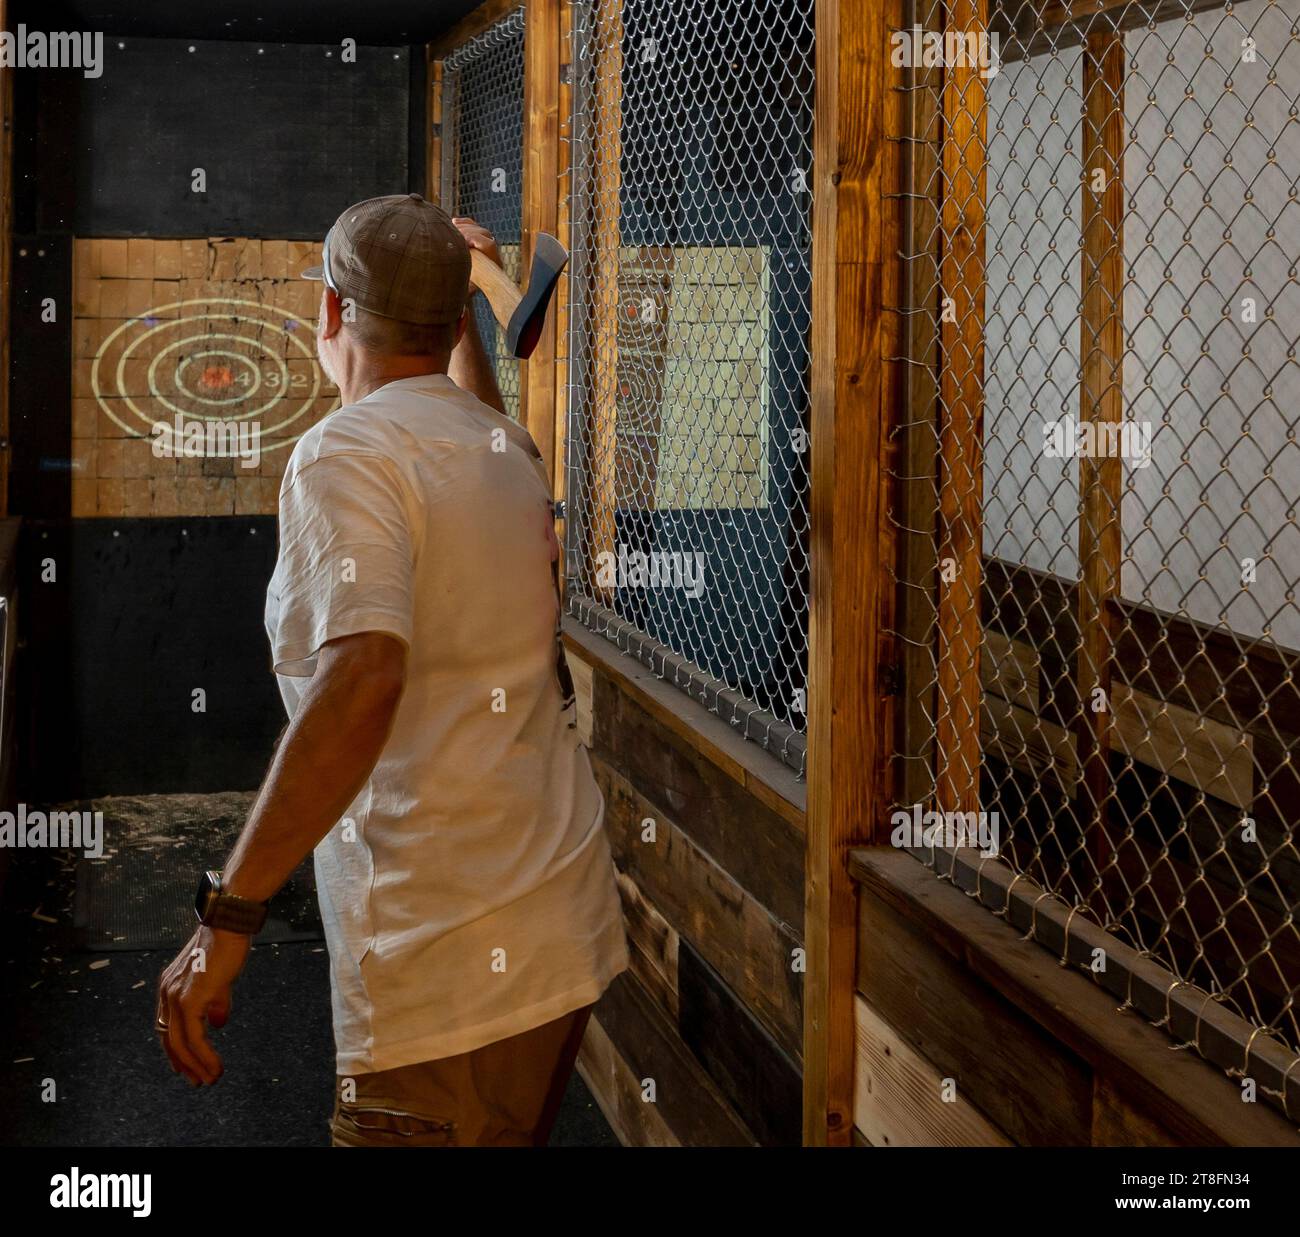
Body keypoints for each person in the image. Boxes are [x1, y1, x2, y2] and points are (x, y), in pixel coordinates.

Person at [154, 194, 629, 1147]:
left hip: (438, 963)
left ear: (331, 311)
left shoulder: (342, 453)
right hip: (559, 925)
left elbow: (363, 679)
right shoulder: (504, 450)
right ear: (451, 325)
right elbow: (476, 432)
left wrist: (228, 914)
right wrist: (466, 302)